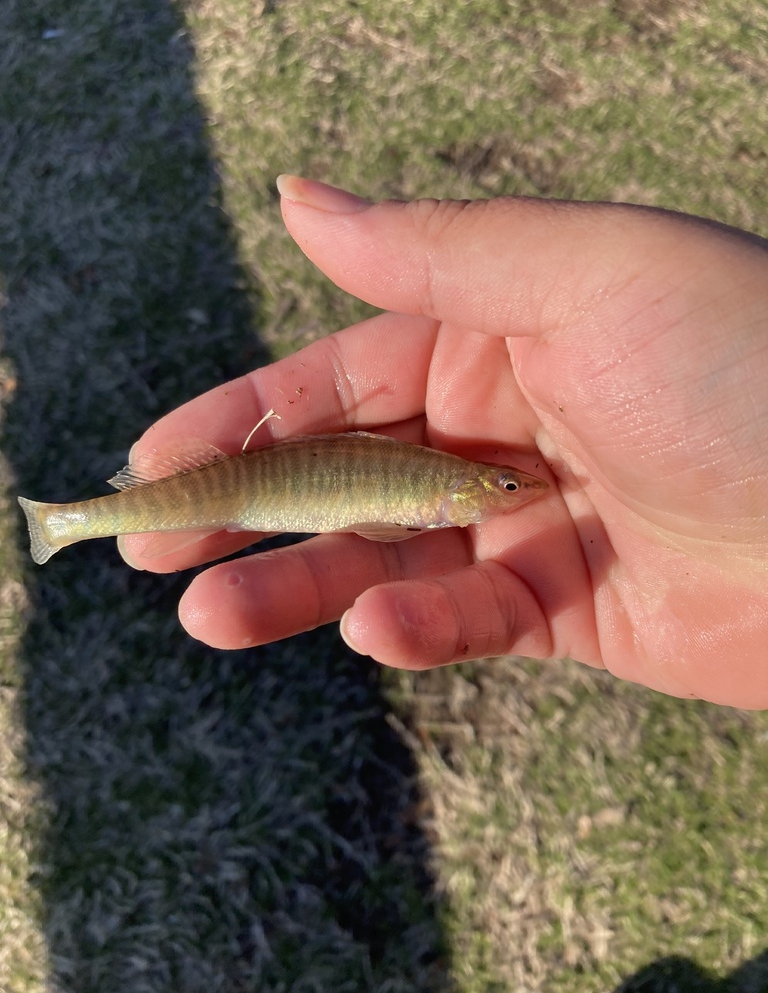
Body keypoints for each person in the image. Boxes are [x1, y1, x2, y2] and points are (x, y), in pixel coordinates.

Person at [120, 176, 768, 710]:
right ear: (467, 490)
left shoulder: (447, 485)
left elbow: (384, 528)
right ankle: (71, 523)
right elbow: (381, 527)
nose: (520, 493)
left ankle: (73, 525)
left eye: (511, 487)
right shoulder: (444, 482)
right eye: (509, 488)